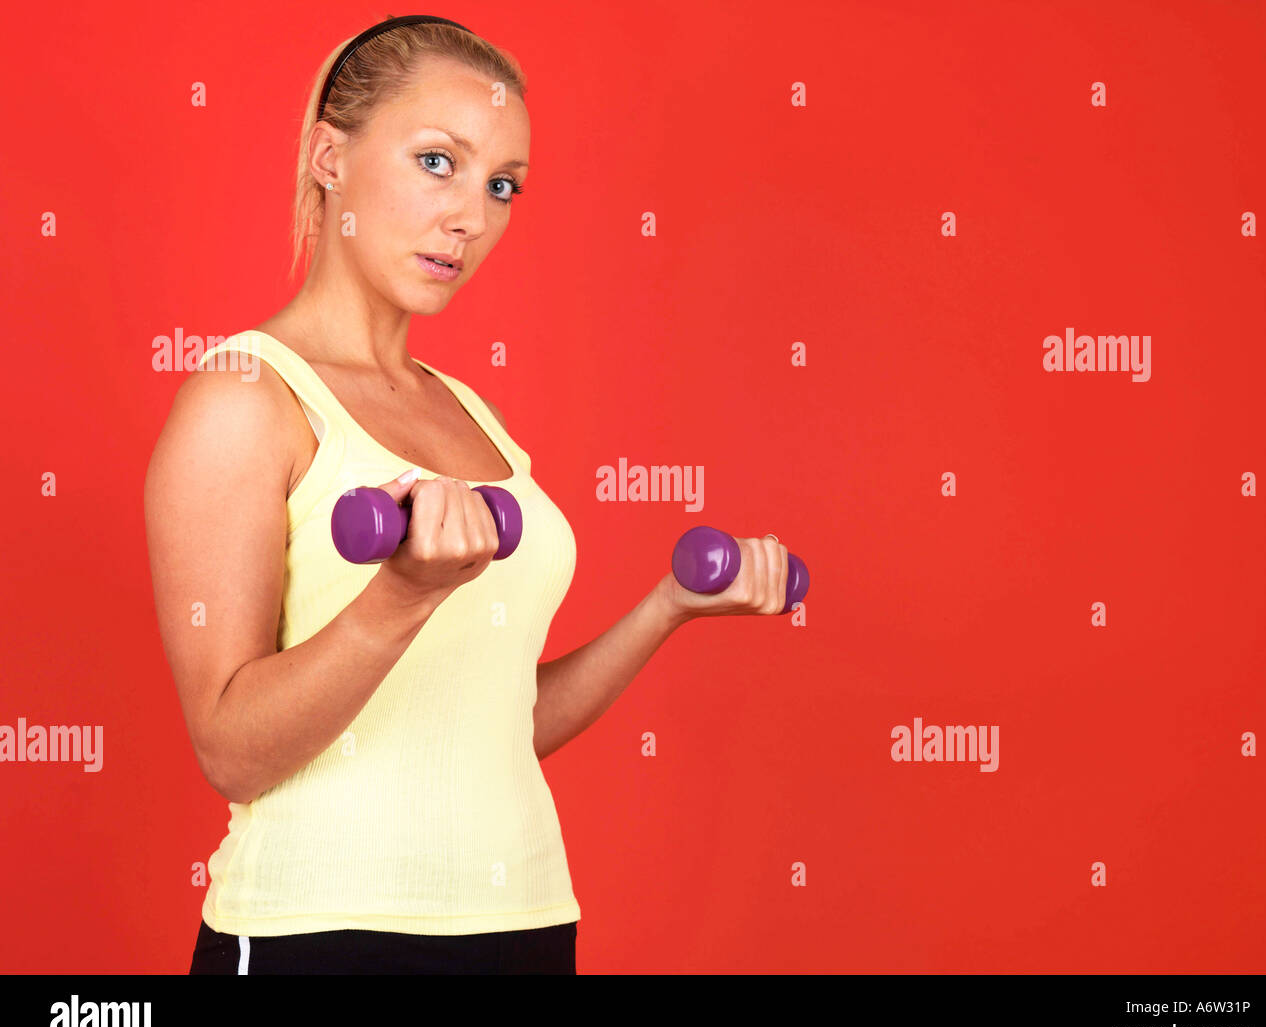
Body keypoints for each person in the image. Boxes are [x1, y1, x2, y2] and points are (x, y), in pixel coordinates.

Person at [144, 15, 792, 976]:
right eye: (437, 161)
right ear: (330, 155)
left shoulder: (469, 413)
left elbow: (495, 718)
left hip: (524, 923)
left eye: (501, 186)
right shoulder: (245, 398)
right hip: (322, 937)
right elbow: (231, 751)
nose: (471, 217)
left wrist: (667, 609)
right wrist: (395, 602)